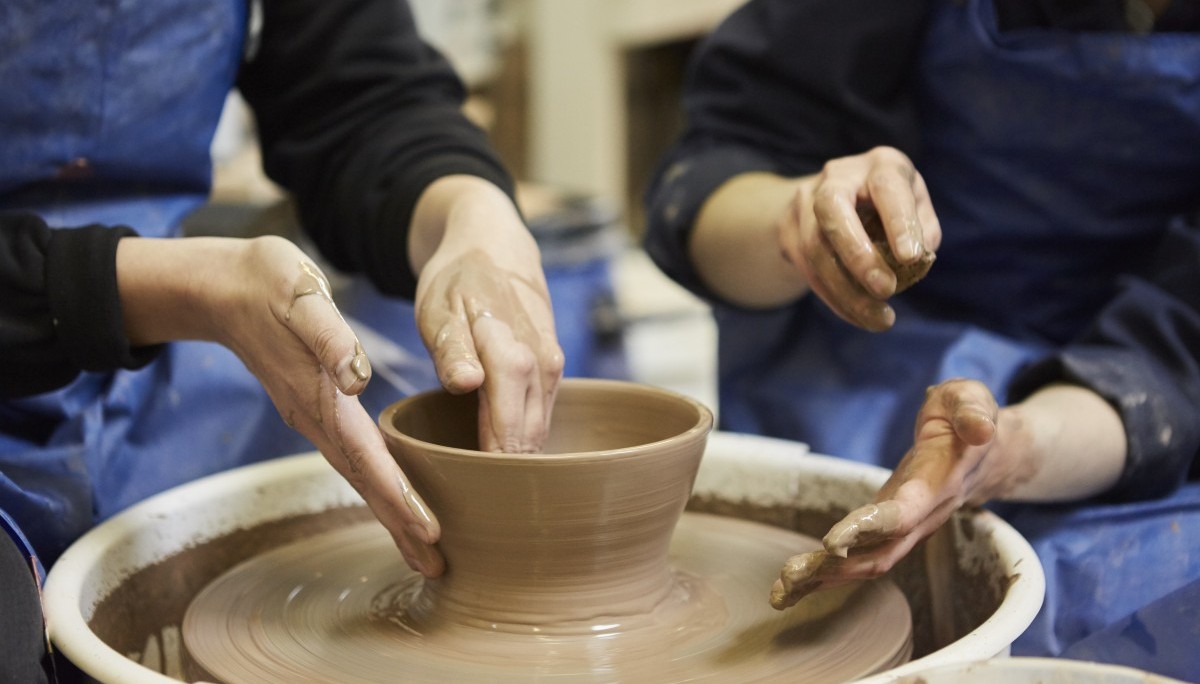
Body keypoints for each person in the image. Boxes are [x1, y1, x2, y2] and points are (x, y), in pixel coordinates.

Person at [0, 0, 563, 680]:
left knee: (413, 464)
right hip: (111, 311)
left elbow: (358, 100)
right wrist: (186, 289)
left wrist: (468, 211)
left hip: (157, 353)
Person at [643, 0, 1200, 664]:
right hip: (867, 363)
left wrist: (1007, 449)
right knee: (800, 588)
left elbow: (1178, 353)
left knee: (1129, 620)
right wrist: (801, 225)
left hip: (1115, 427)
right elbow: (707, 177)